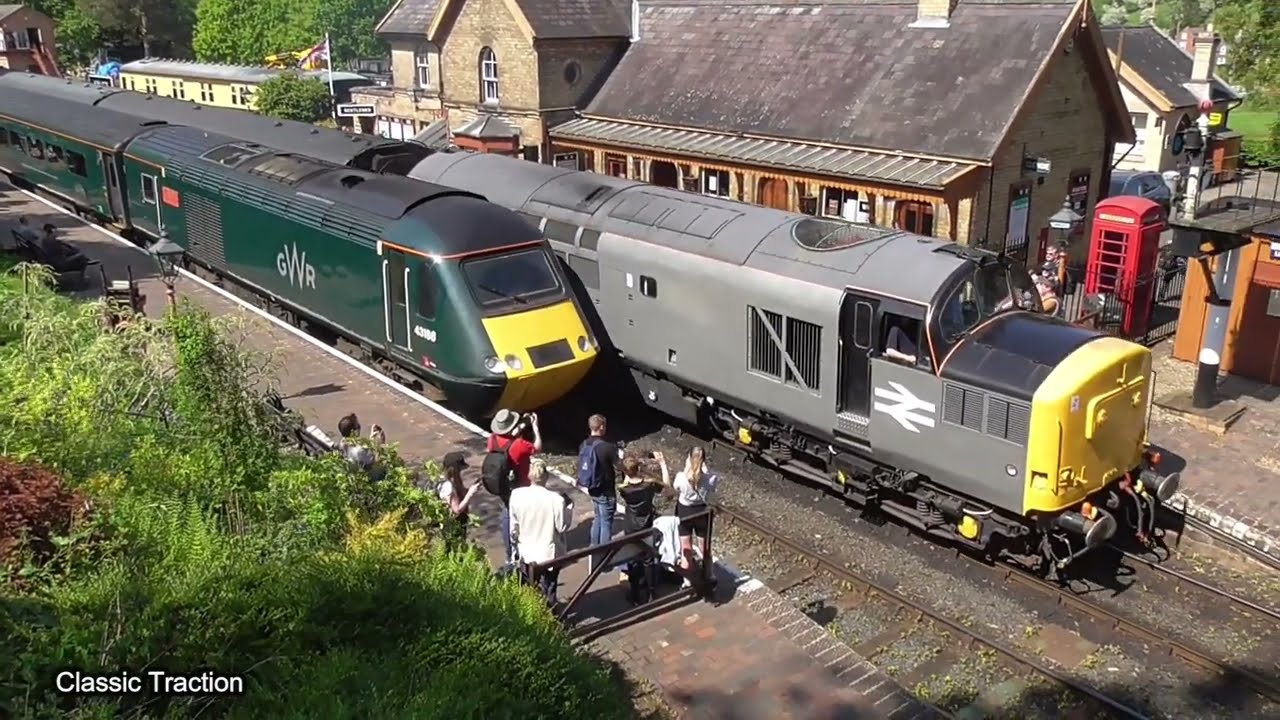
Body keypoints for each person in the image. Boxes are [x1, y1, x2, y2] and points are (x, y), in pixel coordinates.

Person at [509, 459, 573, 604]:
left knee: (529, 586)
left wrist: (515, 545)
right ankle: (551, 614)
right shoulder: (556, 500)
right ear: (546, 476)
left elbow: (514, 528)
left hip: (526, 551)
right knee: (549, 586)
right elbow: (562, 527)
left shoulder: (517, 495)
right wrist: (569, 510)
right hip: (549, 553)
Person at [482, 409, 541, 563]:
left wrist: (518, 430)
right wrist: (535, 427)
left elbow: (502, 446)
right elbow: (537, 448)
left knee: (508, 514)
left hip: (502, 484)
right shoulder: (520, 444)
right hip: (520, 484)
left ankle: (510, 551)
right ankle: (522, 551)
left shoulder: (492, 439)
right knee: (524, 517)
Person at [616, 451, 671, 583]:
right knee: (648, 558)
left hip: (631, 525)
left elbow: (626, 482)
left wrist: (628, 473)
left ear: (625, 472)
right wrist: (662, 464)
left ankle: (635, 594)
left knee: (633, 559)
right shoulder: (649, 485)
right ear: (639, 468)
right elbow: (667, 484)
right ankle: (651, 591)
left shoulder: (623, 489)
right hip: (646, 524)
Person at [576, 414, 619, 570]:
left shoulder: (584, 444)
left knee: (598, 519)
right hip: (606, 490)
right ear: (601, 427)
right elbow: (619, 465)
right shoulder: (607, 447)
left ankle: (593, 550)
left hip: (592, 488)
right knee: (606, 522)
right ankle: (604, 557)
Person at [674, 446, 718, 586]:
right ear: (704, 460)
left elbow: (676, 488)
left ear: (688, 458)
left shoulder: (681, 477)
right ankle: (709, 575)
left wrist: (688, 468)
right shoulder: (711, 478)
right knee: (704, 546)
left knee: (686, 547)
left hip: (684, 512)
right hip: (701, 512)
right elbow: (712, 486)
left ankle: (687, 580)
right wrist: (705, 470)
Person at [437, 451, 481, 547]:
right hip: (454, 524)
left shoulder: (446, 480)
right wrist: (470, 493)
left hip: (453, 522)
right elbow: (457, 510)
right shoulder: (448, 486)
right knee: (456, 547)